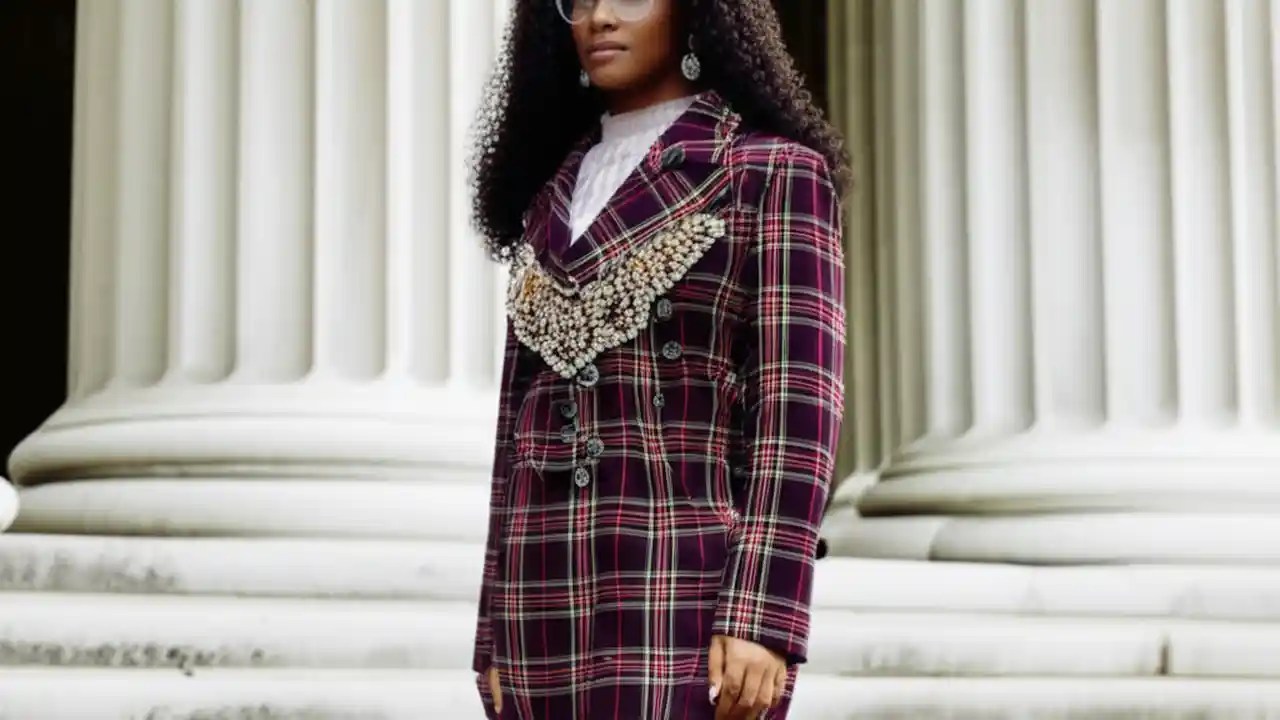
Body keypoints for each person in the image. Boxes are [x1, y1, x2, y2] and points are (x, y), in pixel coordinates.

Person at [467, 0, 848, 717]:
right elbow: (513, 435)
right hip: (537, 603)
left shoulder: (770, 172)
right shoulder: (549, 196)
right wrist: (490, 630)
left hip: (685, 591)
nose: (599, 17)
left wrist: (763, 613)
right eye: (580, 0)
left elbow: (797, 414)